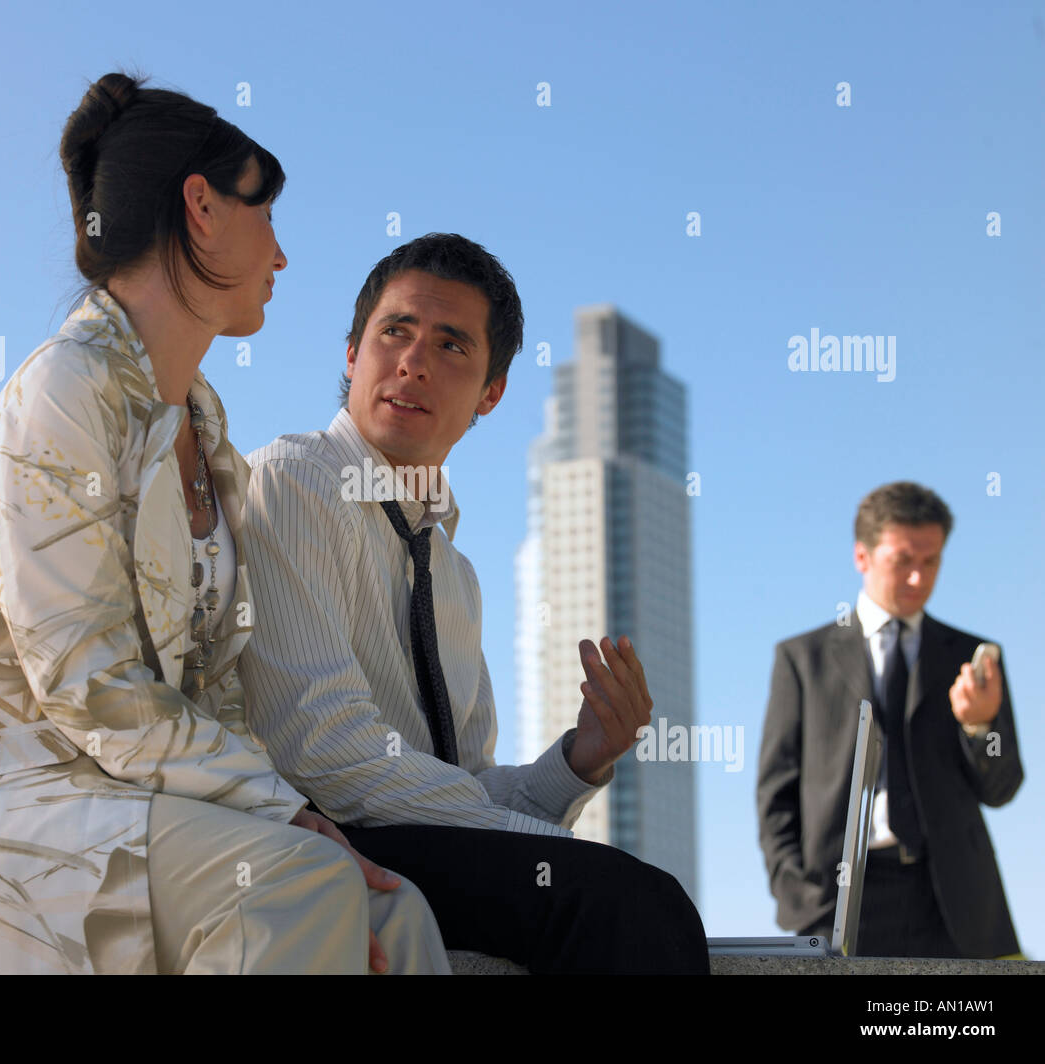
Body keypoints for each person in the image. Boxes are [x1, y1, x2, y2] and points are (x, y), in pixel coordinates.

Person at [0, 72, 448, 975]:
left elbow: (212, 698)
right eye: (267, 214)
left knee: (393, 908)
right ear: (201, 208)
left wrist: (289, 812)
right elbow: (87, 682)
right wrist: (284, 811)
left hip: (124, 809)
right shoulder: (62, 389)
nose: (282, 255)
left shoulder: (206, 437)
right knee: (298, 880)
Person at [236, 232, 709, 974]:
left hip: (409, 844)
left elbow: (465, 784)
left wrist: (581, 761)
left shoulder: (454, 573)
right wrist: (537, 843)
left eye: (452, 345)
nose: (414, 361)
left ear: (492, 392)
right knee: (626, 901)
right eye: (394, 331)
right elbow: (324, 749)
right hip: (319, 839)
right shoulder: (296, 482)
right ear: (352, 355)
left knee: (631, 900)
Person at [757, 481, 1024, 958]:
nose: (919, 578)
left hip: (954, 904)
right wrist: (800, 901)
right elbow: (776, 795)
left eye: (932, 561)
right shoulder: (803, 659)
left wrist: (981, 729)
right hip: (838, 900)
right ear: (862, 556)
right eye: (903, 561)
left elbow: (1001, 789)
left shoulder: (971, 658)